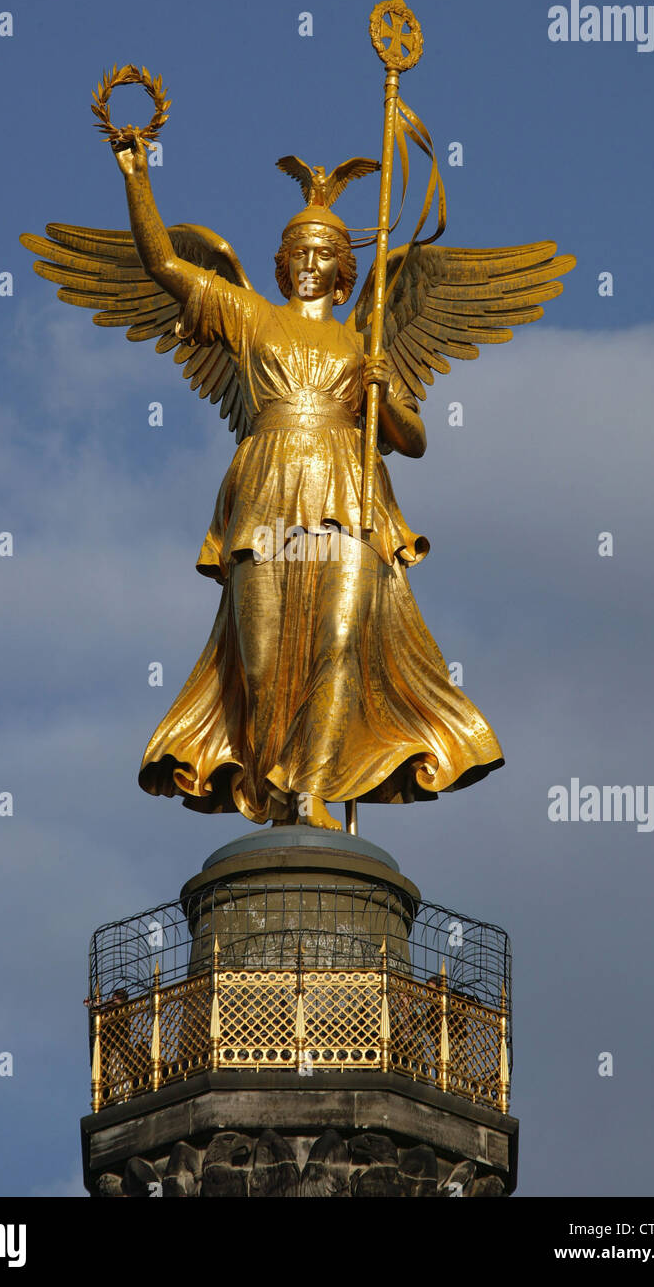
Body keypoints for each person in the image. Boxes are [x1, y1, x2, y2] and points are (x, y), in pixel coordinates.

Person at [113, 138, 504, 829]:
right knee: (260, 660)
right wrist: (138, 177)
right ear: (282, 262)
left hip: (349, 494)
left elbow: (413, 443)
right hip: (267, 489)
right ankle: (272, 793)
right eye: (300, 253)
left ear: (344, 270)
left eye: (325, 254)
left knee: (342, 645)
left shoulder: (365, 341)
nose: (310, 264)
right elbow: (162, 263)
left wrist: (389, 393)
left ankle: (310, 789)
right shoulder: (247, 314)